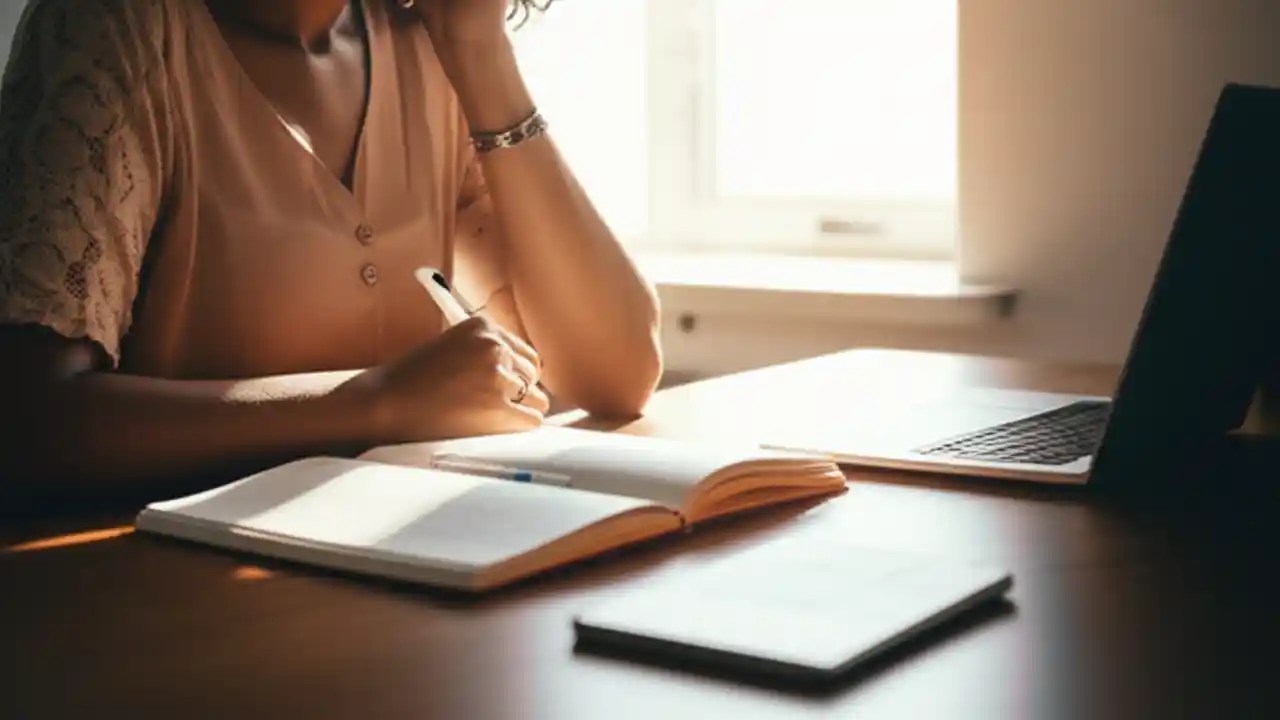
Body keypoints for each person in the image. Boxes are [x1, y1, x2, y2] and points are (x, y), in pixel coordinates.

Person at [0, 0, 662, 504]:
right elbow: (30, 422)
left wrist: (480, 49)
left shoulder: (421, 42)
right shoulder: (117, 28)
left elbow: (617, 372)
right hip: (157, 612)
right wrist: (375, 403)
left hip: (404, 594)